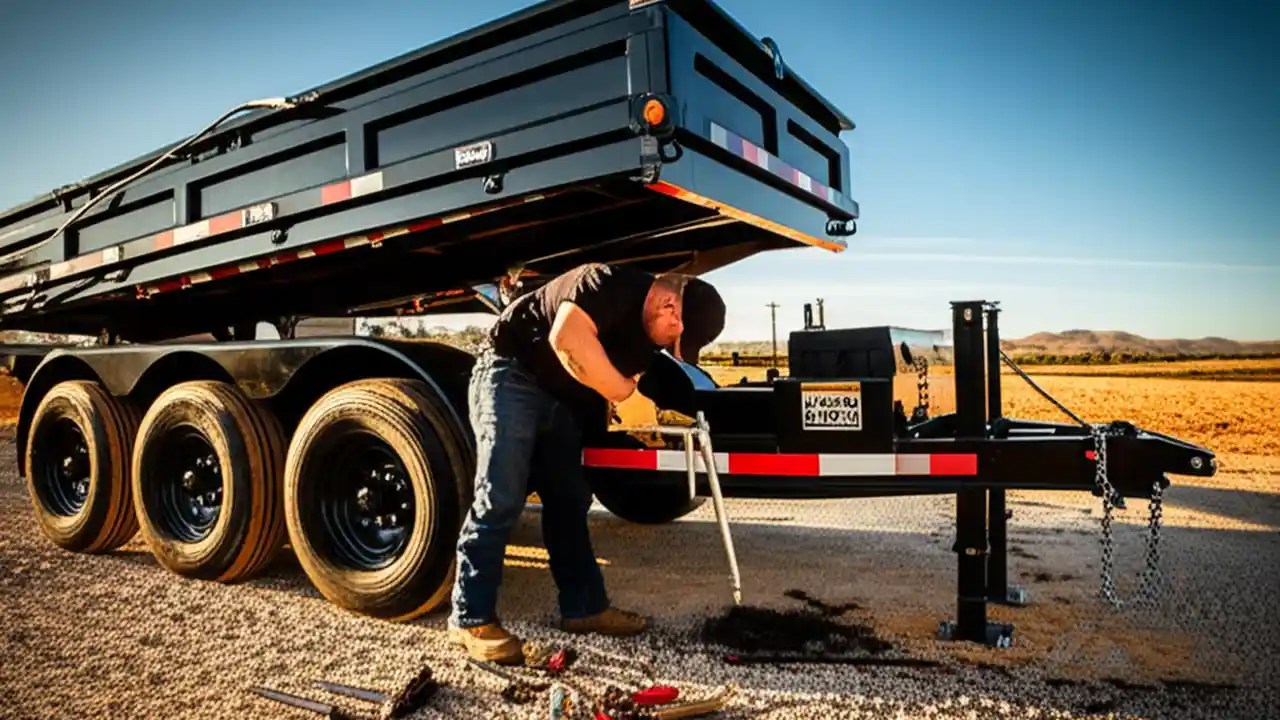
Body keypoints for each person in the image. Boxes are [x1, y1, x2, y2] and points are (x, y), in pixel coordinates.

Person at [447, 262, 726, 663]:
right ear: (670, 307)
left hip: (558, 397)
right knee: (500, 497)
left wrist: (643, 423)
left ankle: (584, 608)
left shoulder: (645, 341)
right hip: (510, 375)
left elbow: (614, 387)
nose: (668, 347)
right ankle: (469, 619)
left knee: (570, 499)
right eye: (675, 338)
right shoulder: (602, 283)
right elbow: (569, 341)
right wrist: (629, 398)